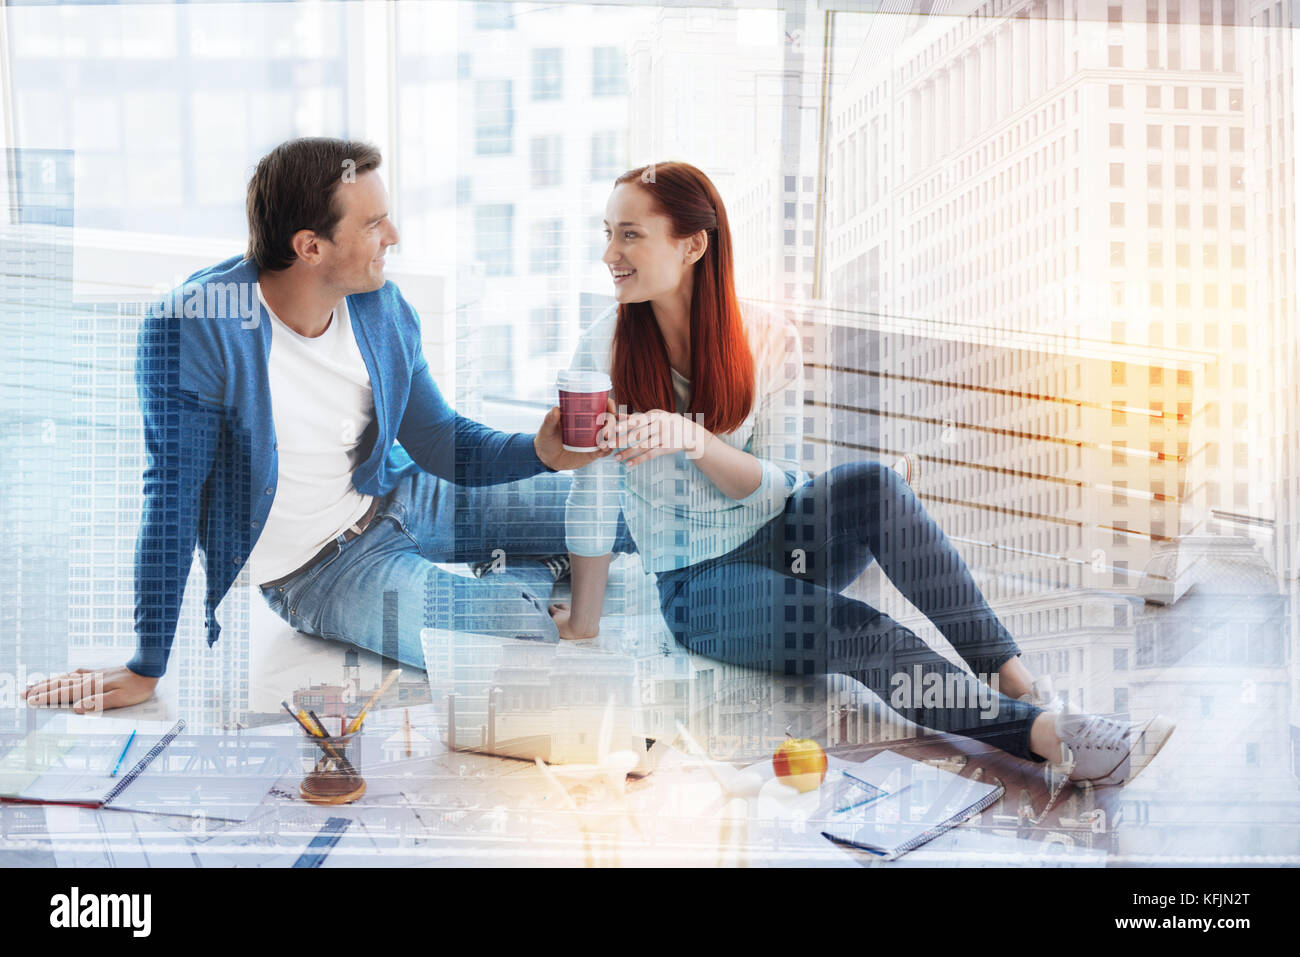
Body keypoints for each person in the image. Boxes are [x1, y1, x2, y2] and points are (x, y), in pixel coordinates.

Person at [552, 161, 1175, 786]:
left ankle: (1018, 681)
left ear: (693, 244)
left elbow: (777, 482)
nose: (610, 253)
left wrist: (695, 442)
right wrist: (582, 626)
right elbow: (592, 488)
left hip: (784, 541)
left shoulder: (765, 338)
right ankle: (1043, 736)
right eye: (607, 233)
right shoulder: (602, 350)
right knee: (860, 630)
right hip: (700, 588)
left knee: (872, 484)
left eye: (630, 234)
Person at [24, 137, 632, 715]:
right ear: (310, 246)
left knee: (623, 507)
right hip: (324, 572)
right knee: (517, 639)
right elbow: (172, 498)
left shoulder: (381, 305)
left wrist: (542, 453)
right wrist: (146, 664)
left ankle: (526, 565)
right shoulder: (195, 328)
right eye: (373, 224)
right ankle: (532, 572)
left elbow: (438, 440)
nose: (392, 236)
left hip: (405, 491)